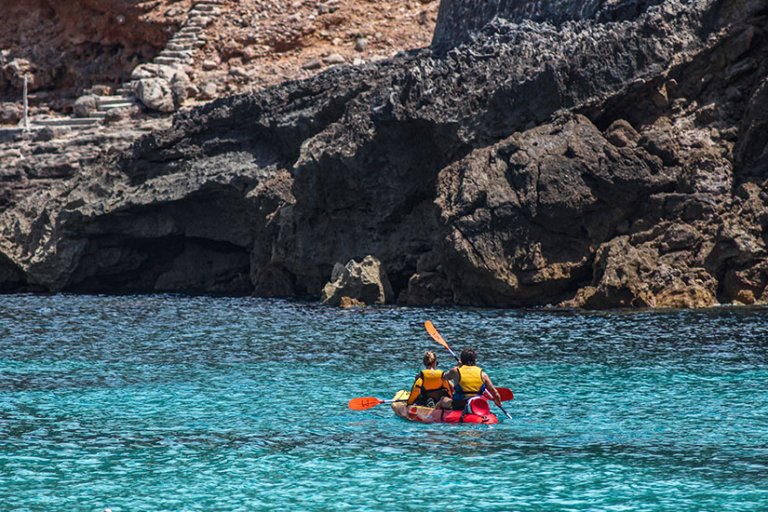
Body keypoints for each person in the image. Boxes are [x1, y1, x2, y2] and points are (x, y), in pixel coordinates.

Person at [435, 348, 502, 411]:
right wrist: (498, 403)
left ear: (461, 360)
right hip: (478, 404)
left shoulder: (456, 371)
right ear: (475, 360)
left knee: (442, 399)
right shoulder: (483, 374)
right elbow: (495, 393)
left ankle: (434, 414)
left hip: (460, 404)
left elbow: (444, 377)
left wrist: (458, 366)